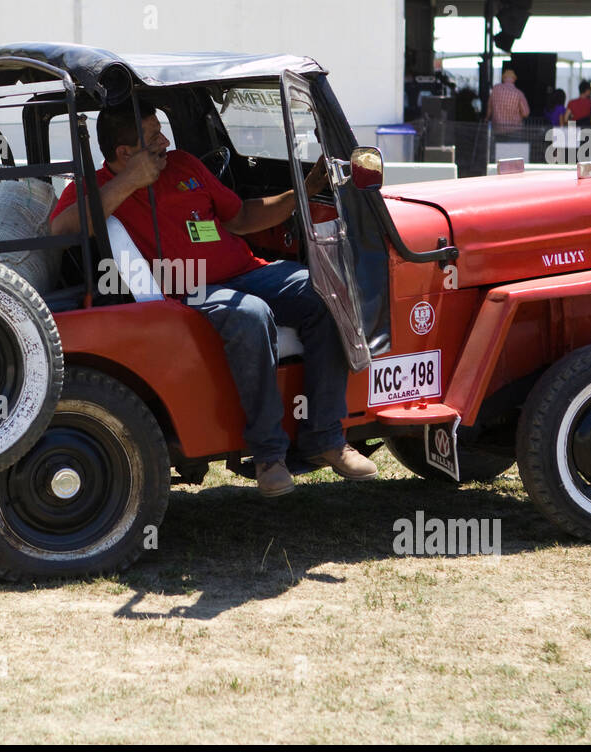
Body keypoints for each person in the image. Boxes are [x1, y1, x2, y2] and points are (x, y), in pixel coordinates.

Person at [49, 102, 378, 497]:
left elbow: (240, 218)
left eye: (161, 131)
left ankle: (326, 436)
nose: (165, 141)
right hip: (188, 288)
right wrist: (131, 181)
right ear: (124, 153)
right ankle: (269, 456)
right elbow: (62, 227)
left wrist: (304, 192)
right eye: (153, 138)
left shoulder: (184, 165)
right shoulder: (94, 185)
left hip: (248, 270)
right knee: (250, 314)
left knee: (325, 290)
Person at [485, 67, 530, 138]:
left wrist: (487, 119)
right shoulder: (518, 93)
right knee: (512, 149)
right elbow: (525, 113)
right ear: (514, 79)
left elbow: (489, 107)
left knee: (498, 148)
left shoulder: (495, 89)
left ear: (503, 78)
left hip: (497, 128)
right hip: (514, 130)